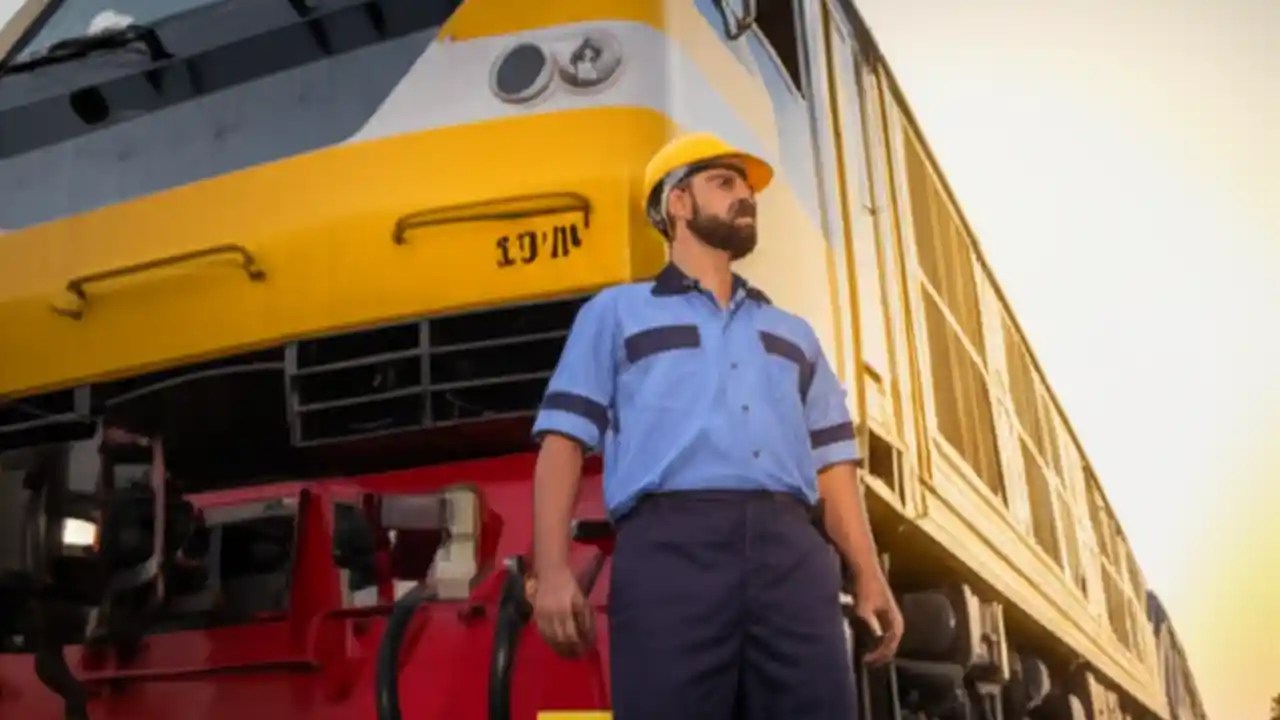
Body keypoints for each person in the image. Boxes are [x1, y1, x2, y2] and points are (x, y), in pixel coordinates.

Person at [528, 132, 904, 719]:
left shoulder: (793, 334)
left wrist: (868, 573)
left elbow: (834, 465)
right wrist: (550, 570)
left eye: (748, 188)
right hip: (670, 551)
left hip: (792, 556)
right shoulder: (614, 314)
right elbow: (563, 441)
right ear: (678, 204)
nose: (745, 197)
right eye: (725, 183)